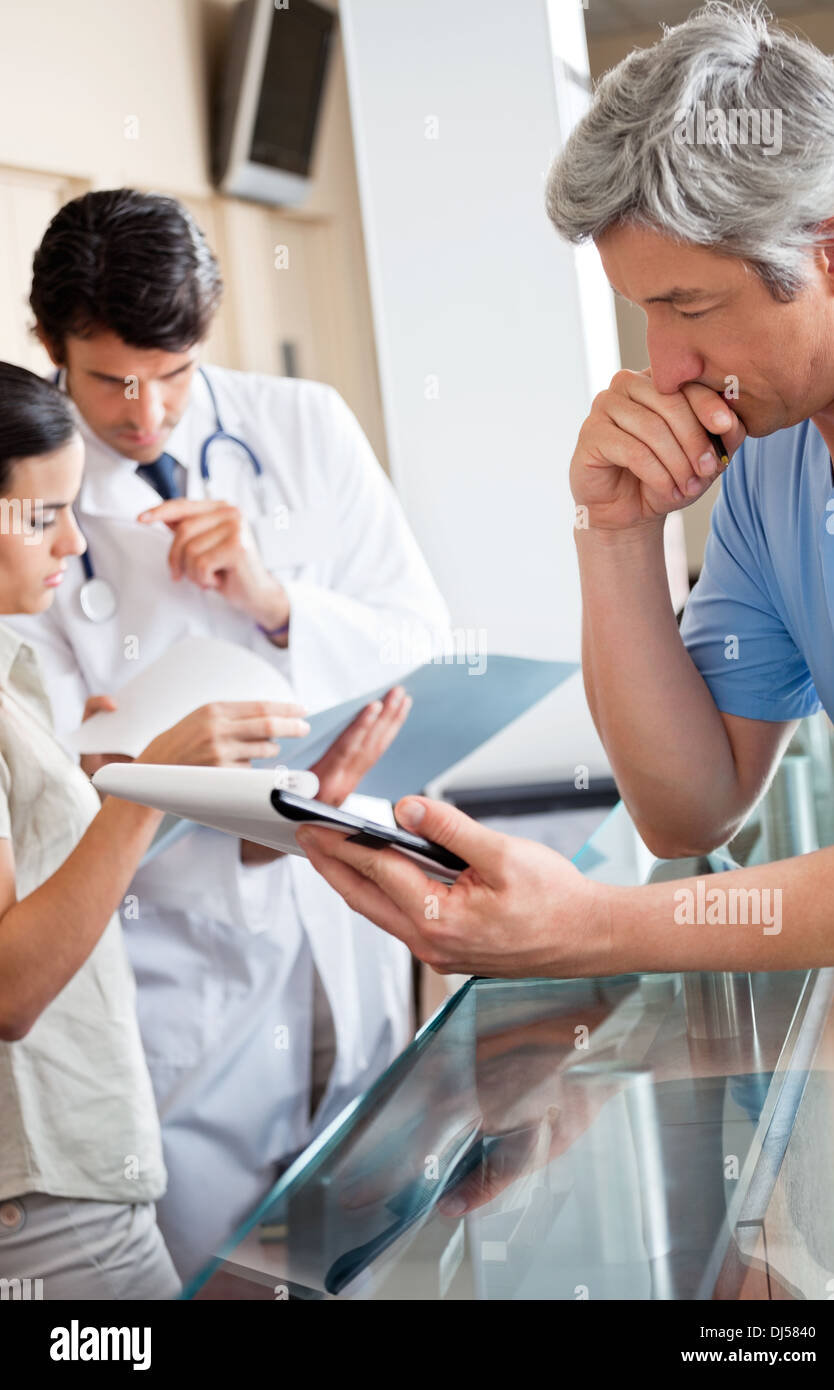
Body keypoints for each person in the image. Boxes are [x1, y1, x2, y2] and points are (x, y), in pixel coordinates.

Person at [293, 4, 834, 978]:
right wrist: (613, 530)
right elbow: (687, 806)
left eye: (692, 306)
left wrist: (596, 926)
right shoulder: (774, 460)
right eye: (645, 311)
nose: (667, 364)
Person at [8, 188, 450, 1282]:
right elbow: (50, 779)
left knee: (373, 1241)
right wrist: (179, 783)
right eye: (110, 379)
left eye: (173, 374)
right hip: (163, 954)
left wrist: (273, 599)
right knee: (223, 1267)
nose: (147, 415)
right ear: (49, 344)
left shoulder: (301, 425)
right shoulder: (29, 496)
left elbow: (418, 635)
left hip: (330, 903)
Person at [0, 362, 313, 1297]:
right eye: (40, 516)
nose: (70, 541)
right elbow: (8, 990)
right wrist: (147, 787)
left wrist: (90, 771)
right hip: (47, 1199)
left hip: (72, 1179)